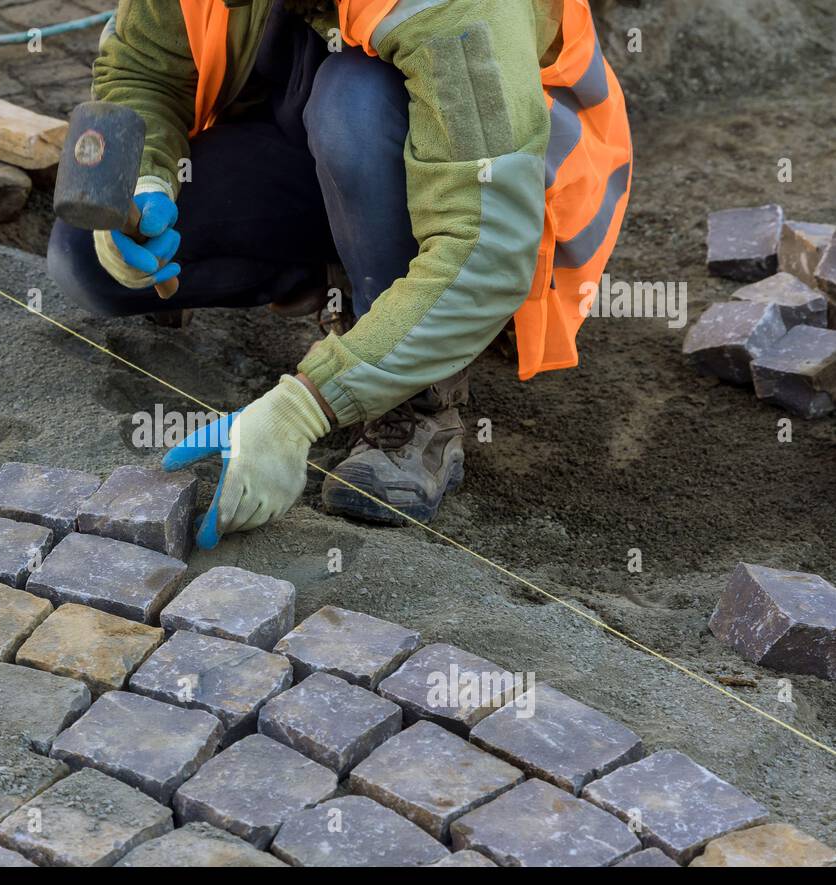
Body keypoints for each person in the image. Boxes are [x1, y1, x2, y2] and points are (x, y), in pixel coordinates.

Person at [48, 0, 631, 547]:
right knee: (83, 258)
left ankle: (419, 403)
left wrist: (304, 408)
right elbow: (144, 72)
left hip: (493, 193)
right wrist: (148, 179)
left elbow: (486, 252)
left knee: (352, 101)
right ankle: (341, 269)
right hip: (308, 140)